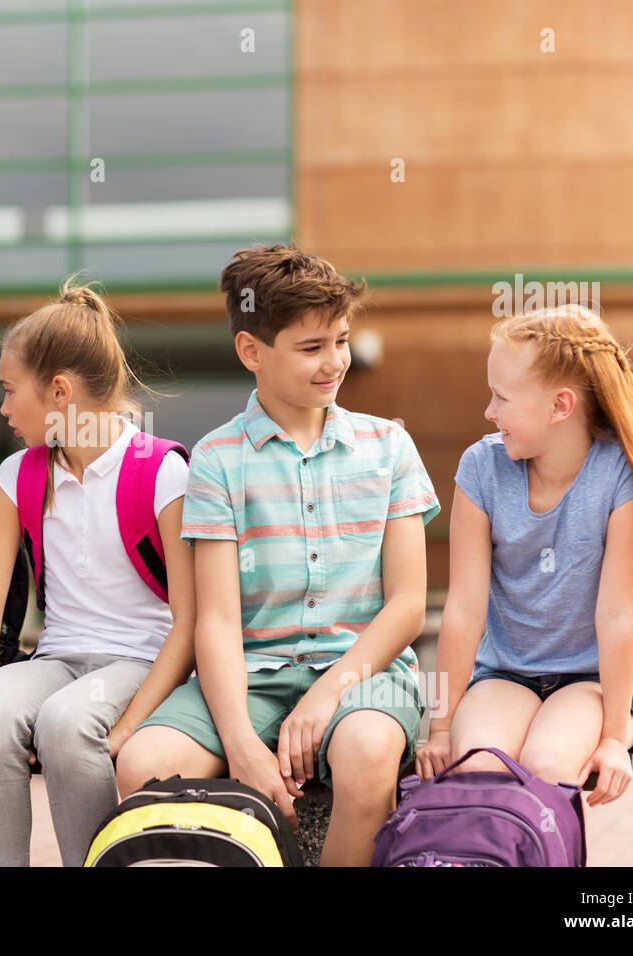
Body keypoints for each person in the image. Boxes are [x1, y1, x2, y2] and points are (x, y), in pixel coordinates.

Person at [116, 243, 440, 866]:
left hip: (364, 676)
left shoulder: (389, 446)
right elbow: (216, 618)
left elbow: (405, 606)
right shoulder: (215, 459)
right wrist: (240, 744)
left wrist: (325, 697)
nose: (335, 362)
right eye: (312, 347)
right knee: (145, 762)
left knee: (368, 754)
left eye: (342, 341)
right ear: (251, 352)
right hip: (250, 679)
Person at [416, 303, 633, 805]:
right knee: (477, 768)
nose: (489, 412)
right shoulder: (481, 468)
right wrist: (440, 729)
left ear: (560, 406)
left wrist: (616, 738)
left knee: (545, 767)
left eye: (501, 398)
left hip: (593, 683)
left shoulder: (619, 475)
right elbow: (463, 610)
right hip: (507, 673)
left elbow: (615, 615)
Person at [0, 278, 196, 867]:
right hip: (58, 659)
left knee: (67, 724)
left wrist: (127, 728)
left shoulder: (162, 472)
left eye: (12, 392)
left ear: (59, 390)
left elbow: (191, 621)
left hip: (139, 660)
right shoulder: (18, 475)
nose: (4, 408)